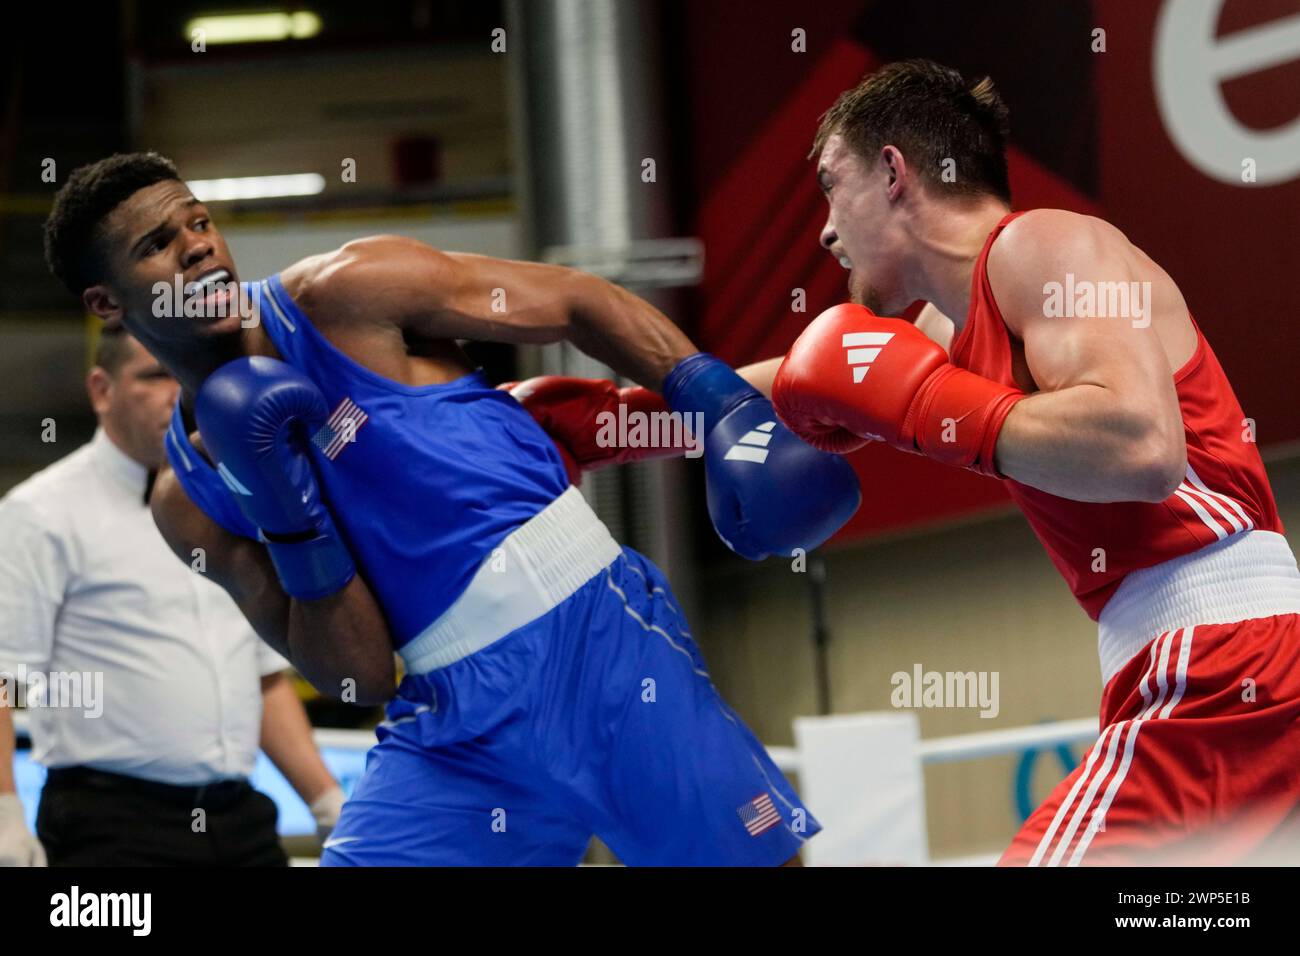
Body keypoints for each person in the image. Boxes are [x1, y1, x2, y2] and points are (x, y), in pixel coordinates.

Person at [41, 152, 862, 865]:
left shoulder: (346, 293)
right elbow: (358, 676)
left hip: (597, 636)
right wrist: (295, 516)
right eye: (156, 246)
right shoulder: (191, 502)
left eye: (198, 223)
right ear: (106, 303)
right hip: (451, 719)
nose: (196, 250)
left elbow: (575, 300)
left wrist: (715, 401)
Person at [767, 58, 1300, 865]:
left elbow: (1143, 448)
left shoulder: (1040, 245)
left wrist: (930, 414)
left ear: (892, 171)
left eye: (831, 185)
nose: (825, 230)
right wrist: (639, 412)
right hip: (1200, 665)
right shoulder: (957, 329)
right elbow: (796, 380)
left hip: (1220, 656)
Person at [0, 322, 345, 866]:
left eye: (185, 376)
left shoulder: (233, 503)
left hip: (240, 820)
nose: (176, 393)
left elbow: (261, 678)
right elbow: (4, 679)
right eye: (154, 375)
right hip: (109, 825)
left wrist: (328, 802)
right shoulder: (39, 514)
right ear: (101, 390)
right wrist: (4, 815)